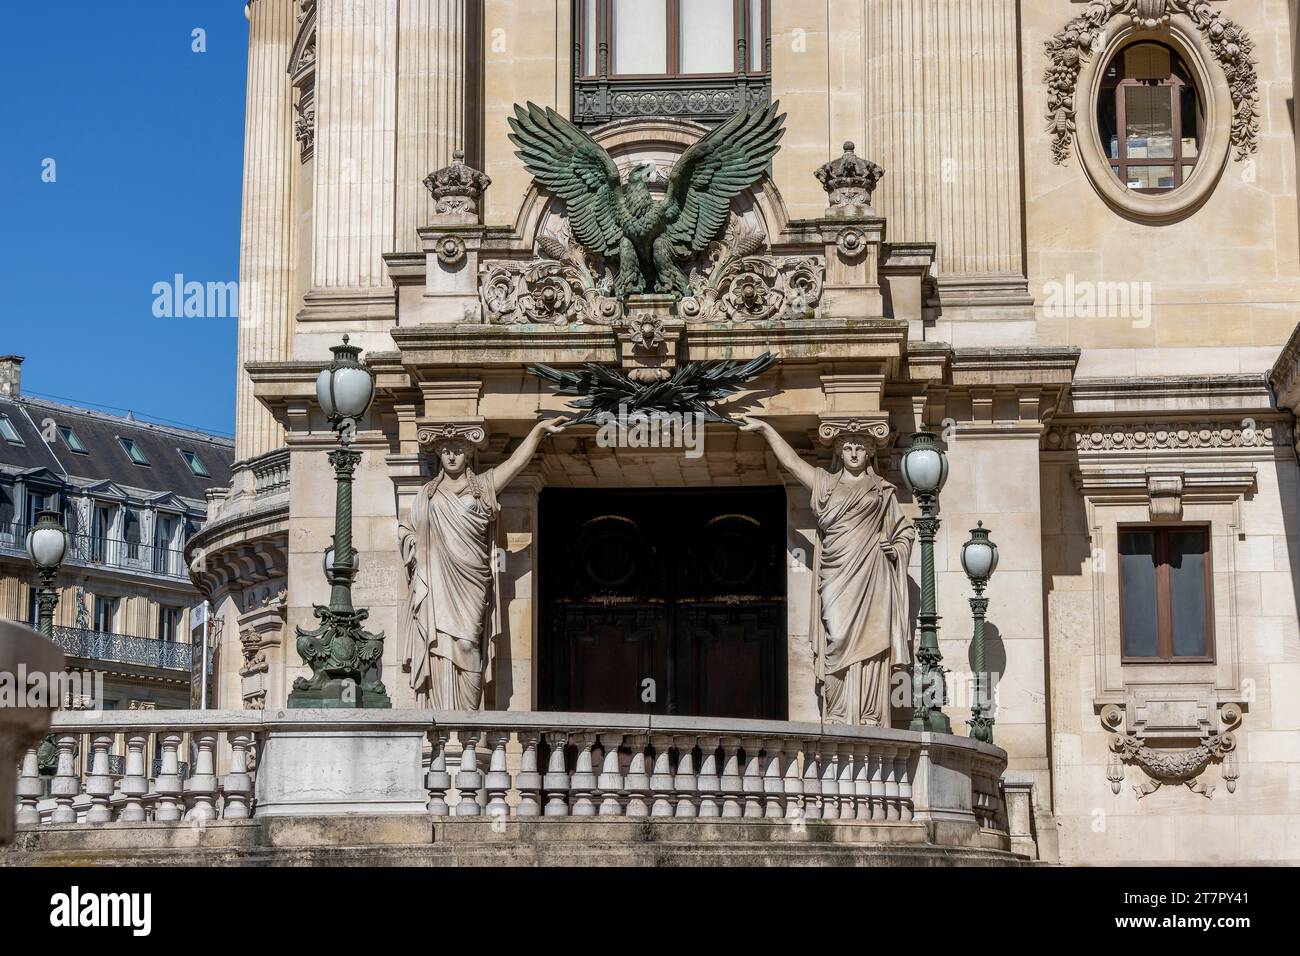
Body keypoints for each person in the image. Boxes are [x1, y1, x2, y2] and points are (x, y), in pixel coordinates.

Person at [739, 416, 914, 725]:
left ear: (870, 452)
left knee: (873, 644)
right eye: (848, 448)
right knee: (836, 639)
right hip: (835, 576)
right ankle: (836, 712)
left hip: (872, 573)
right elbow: (792, 463)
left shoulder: (883, 491)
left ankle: (870, 715)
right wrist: (767, 429)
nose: (855, 453)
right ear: (839, 452)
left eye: (861, 448)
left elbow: (904, 531)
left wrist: (895, 548)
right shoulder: (825, 483)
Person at [399, 418, 566, 709]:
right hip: (438, 577)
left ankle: (468, 722)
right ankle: (443, 722)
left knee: (468, 645)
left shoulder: (484, 487)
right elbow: (407, 530)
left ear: (469, 454)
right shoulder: (427, 494)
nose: (451, 456)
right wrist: (413, 544)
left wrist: (537, 431)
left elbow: (515, 464)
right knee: (440, 646)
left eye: (458, 450)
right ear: (439, 454)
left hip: (472, 579)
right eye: (446, 450)